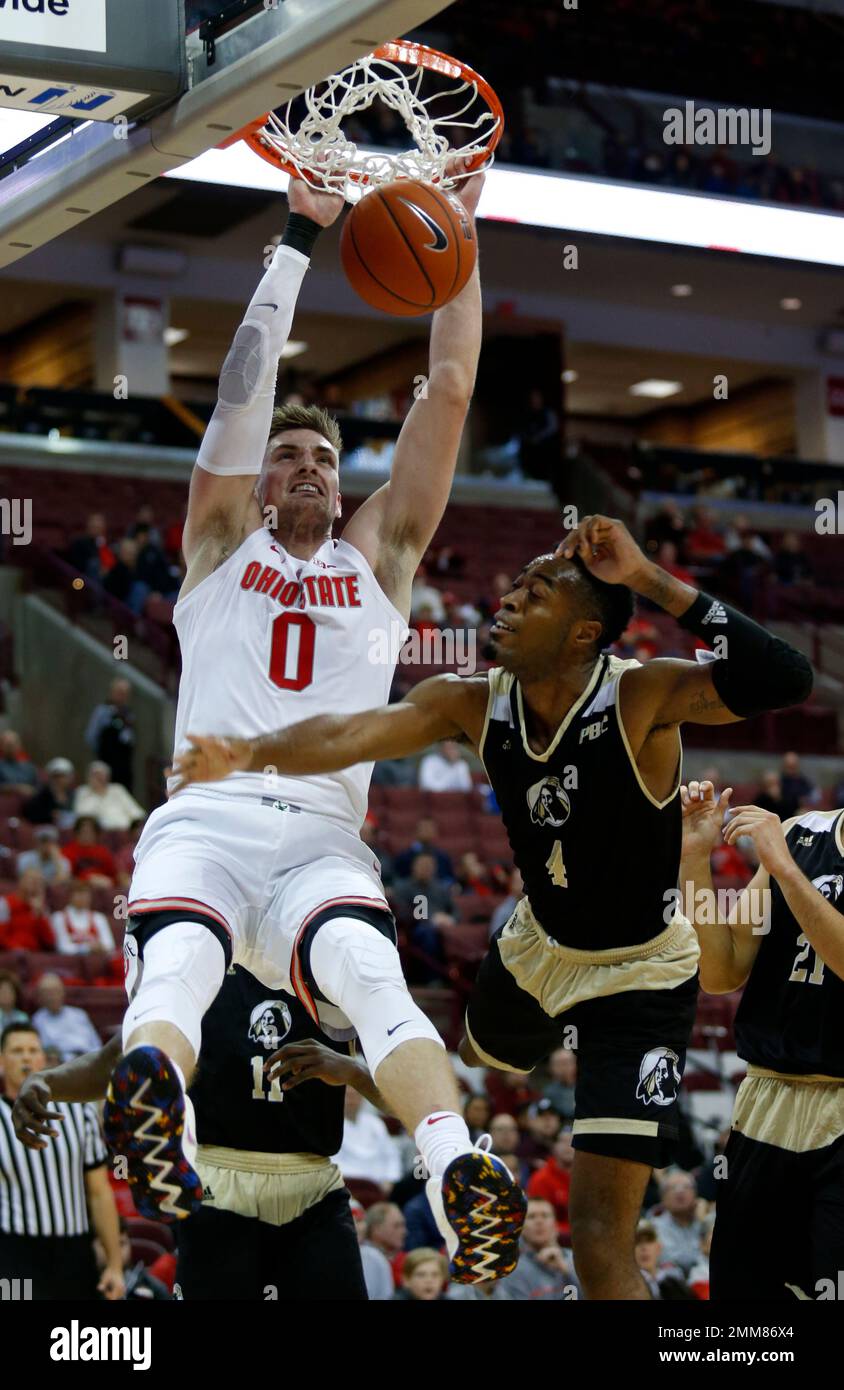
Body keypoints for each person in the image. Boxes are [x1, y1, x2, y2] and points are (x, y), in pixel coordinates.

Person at [175, 512, 813, 1298]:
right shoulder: (473, 701)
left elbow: (785, 677)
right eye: (513, 588)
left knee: (601, 1249)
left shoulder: (641, 696)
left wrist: (647, 578)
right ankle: (370, 1081)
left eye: (535, 592)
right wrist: (247, 751)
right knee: (468, 1066)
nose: (507, 602)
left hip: (641, 976)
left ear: (584, 634)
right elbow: (355, 732)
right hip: (540, 947)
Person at [102, 171, 521, 1285]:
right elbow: (242, 395)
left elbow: (447, 386)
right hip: (207, 814)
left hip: (322, 837)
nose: (305, 467)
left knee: (369, 974)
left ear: (343, 487)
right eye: (287, 456)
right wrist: (297, 238)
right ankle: (163, 1127)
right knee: (181, 961)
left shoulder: (378, 559)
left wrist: (460, 243)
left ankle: (452, 1163)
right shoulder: (216, 546)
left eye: (324, 458)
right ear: (254, 483)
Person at [14, 966, 382, 1300]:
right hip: (218, 1185)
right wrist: (47, 1080)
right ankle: (168, 1129)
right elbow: (121, 1056)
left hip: (314, 1187)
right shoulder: (199, 968)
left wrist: (355, 1071)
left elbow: (414, 1093)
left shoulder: (328, 968)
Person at [679, 778, 844, 1301]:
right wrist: (693, 860)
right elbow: (721, 970)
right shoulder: (798, 833)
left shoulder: (786, 853)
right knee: (744, 1300)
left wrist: (786, 870)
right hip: (764, 1100)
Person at [0, 1022, 124, 1300]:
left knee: (76, 1340)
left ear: (43, 1058)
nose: (26, 1058)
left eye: (33, 1050)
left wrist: (115, 1265)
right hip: (13, 1253)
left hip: (74, 1251)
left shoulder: (80, 1113)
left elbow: (99, 1192)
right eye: (17, 1051)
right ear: (1, 1060)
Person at [498, 1197, 577, 1300]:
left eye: (545, 1215)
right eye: (531, 1217)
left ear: (556, 1225)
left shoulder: (576, 1261)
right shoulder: (514, 1272)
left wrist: (566, 1271)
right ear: (521, 1229)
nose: (539, 1221)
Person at [334, 1088, 401, 1192]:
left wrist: (389, 1179)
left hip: (378, 1186)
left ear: (362, 1098)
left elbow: (391, 1155)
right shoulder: (330, 1126)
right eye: (348, 1095)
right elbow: (333, 1163)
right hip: (346, 1185)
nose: (352, 1100)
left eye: (355, 1095)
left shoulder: (376, 1123)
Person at [31, 973, 102, 1060]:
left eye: (55, 991)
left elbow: (96, 1044)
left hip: (89, 1059)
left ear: (63, 992)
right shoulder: (38, 1019)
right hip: (63, 1065)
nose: (52, 997)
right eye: (47, 993)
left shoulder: (79, 1014)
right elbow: (45, 1050)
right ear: (40, 997)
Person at [649, 1170, 706, 1277]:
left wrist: (703, 1222)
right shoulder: (655, 1226)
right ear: (662, 1198)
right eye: (673, 1188)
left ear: (695, 1194)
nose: (680, 1191)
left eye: (686, 1187)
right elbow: (674, 1260)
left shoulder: (704, 1220)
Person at [85, 678, 137, 792]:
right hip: (106, 762)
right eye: (119, 693)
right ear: (112, 692)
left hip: (123, 767)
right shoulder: (102, 712)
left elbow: (130, 739)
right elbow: (91, 736)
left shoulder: (128, 715)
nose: (121, 697)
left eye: (124, 694)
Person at [73, 760, 145, 831]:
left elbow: (136, 811)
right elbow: (82, 815)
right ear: (89, 777)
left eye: (101, 775)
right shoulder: (83, 791)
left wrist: (135, 826)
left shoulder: (117, 789)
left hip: (124, 830)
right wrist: (96, 793)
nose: (99, 778)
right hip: (99, 834)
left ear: (108, 777)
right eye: (95, 775)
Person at [51, 879, 115, 955]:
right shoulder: (59, 918)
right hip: (71, 963)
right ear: (70, 896)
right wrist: (87, 948)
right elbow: (63, 947)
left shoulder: (98, 918)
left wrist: (99, 947)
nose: (84, 898)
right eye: (79, 894)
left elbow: (110, 945)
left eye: (86, 894)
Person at [0, 868, 54, 951]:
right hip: (11, 953)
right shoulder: (6, 903)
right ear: (21, 881)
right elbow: (1, 936)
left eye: (39, 882)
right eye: (31, 880)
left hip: (34, 955)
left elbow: (50, 942)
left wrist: (40, 915)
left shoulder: (42, 908)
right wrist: (15, 948)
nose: (35, 884)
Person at [393, 816, 454, 882]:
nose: (427, 831)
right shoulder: (405, 856)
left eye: (430, 828)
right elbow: (397, 877)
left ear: (435, 832)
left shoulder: (442, 857)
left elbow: (449, 878)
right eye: (424, 828)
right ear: (416, 831)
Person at [61, 815, 117, 886]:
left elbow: (114, 876)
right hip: (78, 889)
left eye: (90, 832)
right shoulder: (68, 851)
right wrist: (87, 881)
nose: (87, 835)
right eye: (83, 832)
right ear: (76, 834)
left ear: (96, 834)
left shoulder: (103, 852)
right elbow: (65, 878)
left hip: (103, 888)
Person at [21, 756, 75, 828]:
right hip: (47, 828)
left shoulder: (74, 794)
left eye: (63, 776)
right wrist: (49, 815)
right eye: (56, 776)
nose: (59, 779)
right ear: (51, 777)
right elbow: (29, 813)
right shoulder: (42, 794)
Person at [0, 730, 38, 794]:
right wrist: (17, 788)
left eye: (14, 744)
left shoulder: (29, 767)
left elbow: (38, 788)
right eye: (8, 745)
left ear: (20, 745)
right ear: (1, 746)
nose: (11, 748)